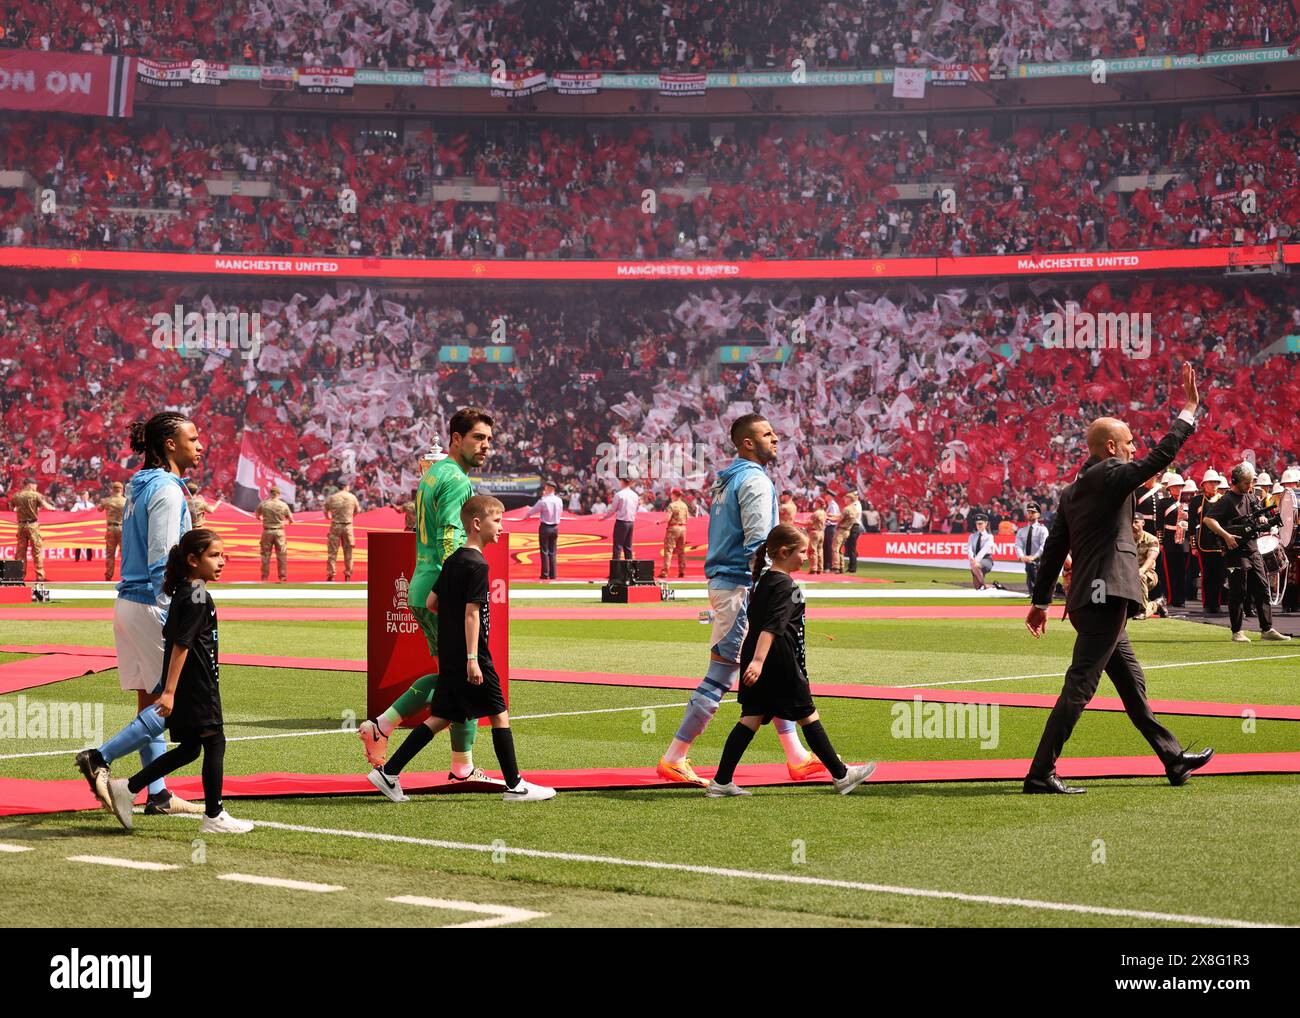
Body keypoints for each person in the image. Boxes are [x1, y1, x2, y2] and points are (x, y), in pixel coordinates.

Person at [1024, 363, 1214, 794]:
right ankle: (1040, 772)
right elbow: (1159, 457)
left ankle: (1173, 758)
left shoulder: (1073, 490)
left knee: (1131, 684)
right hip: (1107, 594)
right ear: (1111, 447)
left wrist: (1040, 603)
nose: (1134, 448)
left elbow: (1054, 550)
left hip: (1089, 598)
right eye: (1129, 442)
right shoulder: (1111, 475)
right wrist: (1188, 410)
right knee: (1080, 686)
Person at [658, 414, 818, 786]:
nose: (776, 438)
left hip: (729, 584)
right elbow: (760, 546)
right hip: (741, 587)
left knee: (773, 666)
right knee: (722, 674)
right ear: (747, 442)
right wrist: (774, 595)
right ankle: (674, 756)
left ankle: (796, 756)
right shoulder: (755, 482)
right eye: (767, 434)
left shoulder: (728, 479)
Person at [367, 496, 556, 803]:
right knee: (499, 713)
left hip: (451, 653)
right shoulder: (478, 564)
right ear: (477, 524)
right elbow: (471, 613)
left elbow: (432, 603)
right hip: (473, 656)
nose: (501, 527)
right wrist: (472, 658)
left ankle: (388, 772)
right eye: (496, 521)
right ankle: (515, 785)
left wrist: (455, 636)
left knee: (440, 718)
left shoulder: (454, 559)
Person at [356, 408, 495, 785]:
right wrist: (451, 590)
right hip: (439, 588)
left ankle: (388, 728)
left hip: (422, 581)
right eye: (478, 438)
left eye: (488, 440)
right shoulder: (456, 481)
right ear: (455, 438)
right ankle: (456, 763)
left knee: (451, 677)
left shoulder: (433, 474)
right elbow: (452, 536)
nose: (485, 446)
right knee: (466, 678)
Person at [75, 413, 204, 817]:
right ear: (170, 444)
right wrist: (175, 613)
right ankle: (99, 757)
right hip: (152, 604)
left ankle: (159, 795)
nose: (200, 445)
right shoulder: (166, 491)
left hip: (129, 604)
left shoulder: (140, 485)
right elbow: (160, 561)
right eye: (193, 438)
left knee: (150, 700)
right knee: (171, 703)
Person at [706, 524, 876, 797]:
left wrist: (755, 659)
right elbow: (772, 626)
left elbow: (759, 623)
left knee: (751, 717)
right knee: (807, 713)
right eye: (802, 551)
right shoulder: (786, 585)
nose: (807, 557)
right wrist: (760, 661)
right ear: (784, 552)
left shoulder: (763, 581)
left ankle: (721, 781)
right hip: (778, 660)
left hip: (759, 656)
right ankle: (842, 775)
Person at [104, 530, 252, 834]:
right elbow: (181, 644)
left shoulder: (186, 592)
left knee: (191, 749)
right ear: (192, 560)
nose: (221, 562)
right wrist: (169, 691)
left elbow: (174, 638)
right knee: (214, 742)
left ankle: (127, 788)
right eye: (214, 555)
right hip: (196, 687)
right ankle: (214, 816)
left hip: (189, 685)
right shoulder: (197, 594)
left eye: (223, 555)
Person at [1200, 463, 1291, 643]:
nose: (1250, 486)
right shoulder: (1226, 500)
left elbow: (1257, 513)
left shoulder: (1250, 497)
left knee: (1263, 589)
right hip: (1236, 552)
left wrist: (1262, 517)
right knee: (1238, 591)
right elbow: (1208, 520)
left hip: (1252, 549)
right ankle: (1237, 631)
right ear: (1235, 481)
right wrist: (1226, 536)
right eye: (1247, 482)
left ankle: (1267, 629)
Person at [1194, 469, 1228, 614]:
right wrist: (1193, 545)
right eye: (1211, 482)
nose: (1214, 485)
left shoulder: (1223, 500)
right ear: (1204, 485)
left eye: (1216, 482)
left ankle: (1217, 603)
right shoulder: (1196, 501)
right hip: (1204, 543)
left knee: (1220, 576)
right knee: (1207, 577)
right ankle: (1208, 604)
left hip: (1219, 544)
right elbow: (1191, 524)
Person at [10, 480, 54, 582]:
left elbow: (12, 507)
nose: (36, 487)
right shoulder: (36, 495)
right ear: (30, 485)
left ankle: (19, 576)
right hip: (33, 526)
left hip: (21, 526)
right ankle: (39, 576)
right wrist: (53, 508)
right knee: (37, 551)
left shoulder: (16, 495)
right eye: (35, 485)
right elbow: (48, 507)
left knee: (20, 552)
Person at [1154, 472, 1187, 606]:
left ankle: (1181, 599)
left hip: (1184, 541)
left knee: (1182, 572)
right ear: (1169, 488)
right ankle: (1171, 598)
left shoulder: (1187, 502)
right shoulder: (1163, 503)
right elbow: (1159, 524)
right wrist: (1160, 542)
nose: (1178, 489)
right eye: (1175, 486)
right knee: (1170, 572)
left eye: (1180, 486)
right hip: (1169, 539)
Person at [523, 480, 563, 580]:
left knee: (544, 551)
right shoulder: (559, 500)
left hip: (545, 527)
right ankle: (553, 574)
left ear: (550, 488)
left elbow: (532, 511)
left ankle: (545, 574)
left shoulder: (544, 501)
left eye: (546, 487)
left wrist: (525, 516)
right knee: (553, 551)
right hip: (555, 527)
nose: (544, 489)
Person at [323, 480, 361, 581]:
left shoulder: (332, 498)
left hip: (335, 525)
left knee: (332, 552)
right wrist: (349, 517)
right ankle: (348, 573)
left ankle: (331, 574)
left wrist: (330, 517)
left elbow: (325, 511)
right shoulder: (352, 497)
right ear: (346, 486)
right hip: (347, 526)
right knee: (348, 552)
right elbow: (357, 511)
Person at [255, 486, 294, 582]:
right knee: (281, 555)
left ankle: (264, 577)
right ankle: (282, 577)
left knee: (265, 556)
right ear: (279, 494)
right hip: (279, 532)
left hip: (267, 531)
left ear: (270, 493)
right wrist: (285, 522)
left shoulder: (264, 504)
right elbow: (291, 520)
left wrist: (265, 520)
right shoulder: (283, 505)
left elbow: (257, 516)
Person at [1132, 517, 1168, 619]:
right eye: (1131, 521)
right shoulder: (1125, 538)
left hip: (1149, 574)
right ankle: (1157, 604)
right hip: (1128, 573)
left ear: (1143, 523)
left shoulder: (1151, 539)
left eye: (1136, 521)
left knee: (1140, 576)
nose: (1133, 524)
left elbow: (1151, 558)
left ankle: (1143, 610)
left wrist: (1142, 570)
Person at [603, 475, 639, 560]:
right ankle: (629, 571)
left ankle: (616, 572)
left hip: (621, 522)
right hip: (630, 522)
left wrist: (604, 517)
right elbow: (635, 508)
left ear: (622, 482)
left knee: (617, 547)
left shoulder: (619, 494)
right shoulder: (635, 495)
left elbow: (613, 509)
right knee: (628, 547)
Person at [1015, 503, 1048, 593]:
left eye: (1033, 512)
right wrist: (1022, 557)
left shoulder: (1042, 529)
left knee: (1034, 576)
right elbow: (1018, 545)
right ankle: (1035, 592)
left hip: (1040, 560)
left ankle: (1036, 592)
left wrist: (1034, 557)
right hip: (1028, 561)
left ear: (1038, 515)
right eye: (1029, 512)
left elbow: (1043, 545)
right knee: (1031, 573)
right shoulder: (1021, 530)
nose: (1030, 514)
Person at [97, 481, 127, 581]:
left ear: (112, 490)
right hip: (122, 529)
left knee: (110, 554)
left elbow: (99, 509)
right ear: (122, 490)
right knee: (124, 554)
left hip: (110, 529)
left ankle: (108, 575)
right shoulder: (126, 501)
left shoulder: (107, 501)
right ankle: (125, 575)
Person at [661, 486, 688, 578]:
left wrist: (659, 521)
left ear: (674, 495)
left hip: (673, 528)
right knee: (681, 551)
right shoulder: (684, 505)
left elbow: (668, 518)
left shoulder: (672, 505)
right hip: (683, 528)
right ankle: (682, 571)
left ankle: (665, 572)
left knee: (669, 550)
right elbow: (687, 518)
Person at [834, 492, 862, 573]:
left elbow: (851, 516)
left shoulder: (855, 505)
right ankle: (851, 566)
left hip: (854, 526)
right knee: (849, 548)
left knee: (851, 549)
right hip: (852, 527)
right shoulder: (855, 505)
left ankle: (852, 568)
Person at [967, 515, 996, 590]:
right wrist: (971, 558)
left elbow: (984, 550)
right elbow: (969, 548)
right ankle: (993, 586)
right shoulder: (972, 536)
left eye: (980, 523)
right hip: (975, 560)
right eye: (977, 524)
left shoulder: (989, 537)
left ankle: (985, 586)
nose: (978, 526)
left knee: (975, 566)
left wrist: (975, 561)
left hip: (986, 560)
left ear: (986, 524)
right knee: (977, 587)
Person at [805, 497, 827, 573]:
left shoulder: (816, 513)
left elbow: (810, 522)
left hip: (814, 532)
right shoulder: (824, 512)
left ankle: (813, 568)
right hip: (821, 532)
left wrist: (798, 522)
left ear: (818, 504)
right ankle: (820, 568)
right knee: (820, 550)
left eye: (816, 502)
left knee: (812, 550)